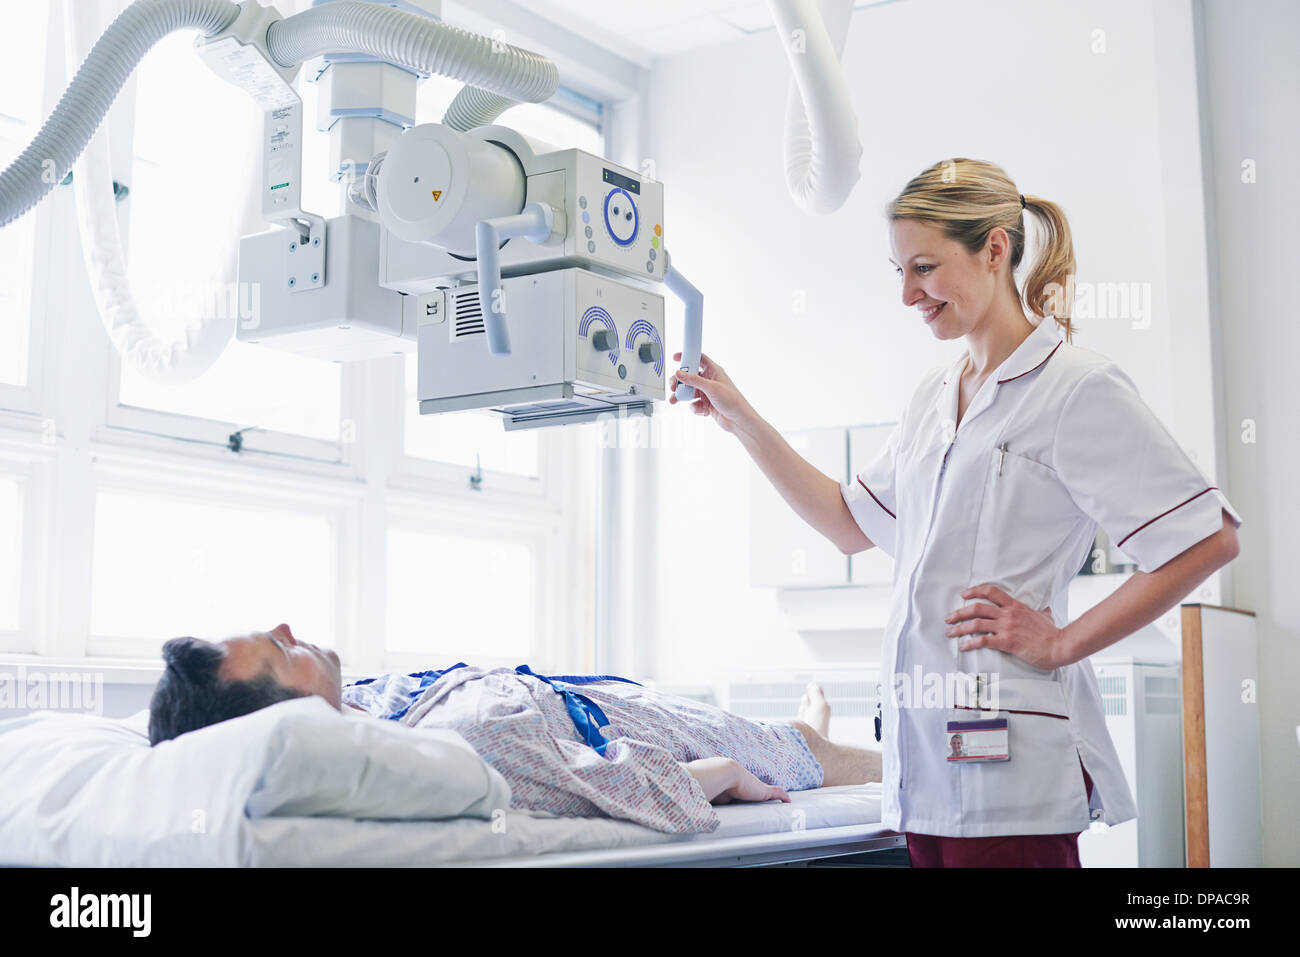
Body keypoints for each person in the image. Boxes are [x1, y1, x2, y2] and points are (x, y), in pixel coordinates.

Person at [669, 157, 1243, 867]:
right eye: (899, 271)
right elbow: (850, 523)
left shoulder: (1074, 386)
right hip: (925, 770)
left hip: (1010, 772)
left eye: (925, 267)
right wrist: (740, 417)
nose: (908, 292)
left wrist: (1062, 642)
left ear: (995, 250)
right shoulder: (932, 398)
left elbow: (1209, 539)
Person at [146, 625, 882, 834]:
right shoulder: (457, 748)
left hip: (587, 692)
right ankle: (808, 729)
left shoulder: (367, 702)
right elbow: (631, 787)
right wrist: (724, 771)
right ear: (289, 716)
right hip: (643, 725)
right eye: (281, 652)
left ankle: (803, 717)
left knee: (788, 730)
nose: (286, 627)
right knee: (805, 752)